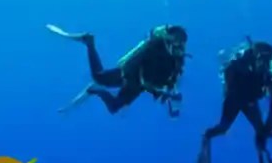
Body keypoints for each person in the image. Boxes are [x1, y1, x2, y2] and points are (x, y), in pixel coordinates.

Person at [48, 24, 187, 116]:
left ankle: (94, 89)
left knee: (114, 108)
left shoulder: (178, 61)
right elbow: (151, 39)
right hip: (129, 72)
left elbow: (174, 85)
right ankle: (89, 42)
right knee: (98, 77)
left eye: (181, 44)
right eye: (176, 41)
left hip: (139, 86)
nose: (178, 47)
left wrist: (173, 105)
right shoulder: (157, 44)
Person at [197, 39, 272, 163]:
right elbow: (231, 79)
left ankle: (262, 149)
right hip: (235, 100)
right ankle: (207, 136)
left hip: (249, 100)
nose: (264, 61)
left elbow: (268, 83)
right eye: (263, 57)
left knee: (260, 130)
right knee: (224, 127)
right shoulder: (239, 63)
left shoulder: (265, 66)